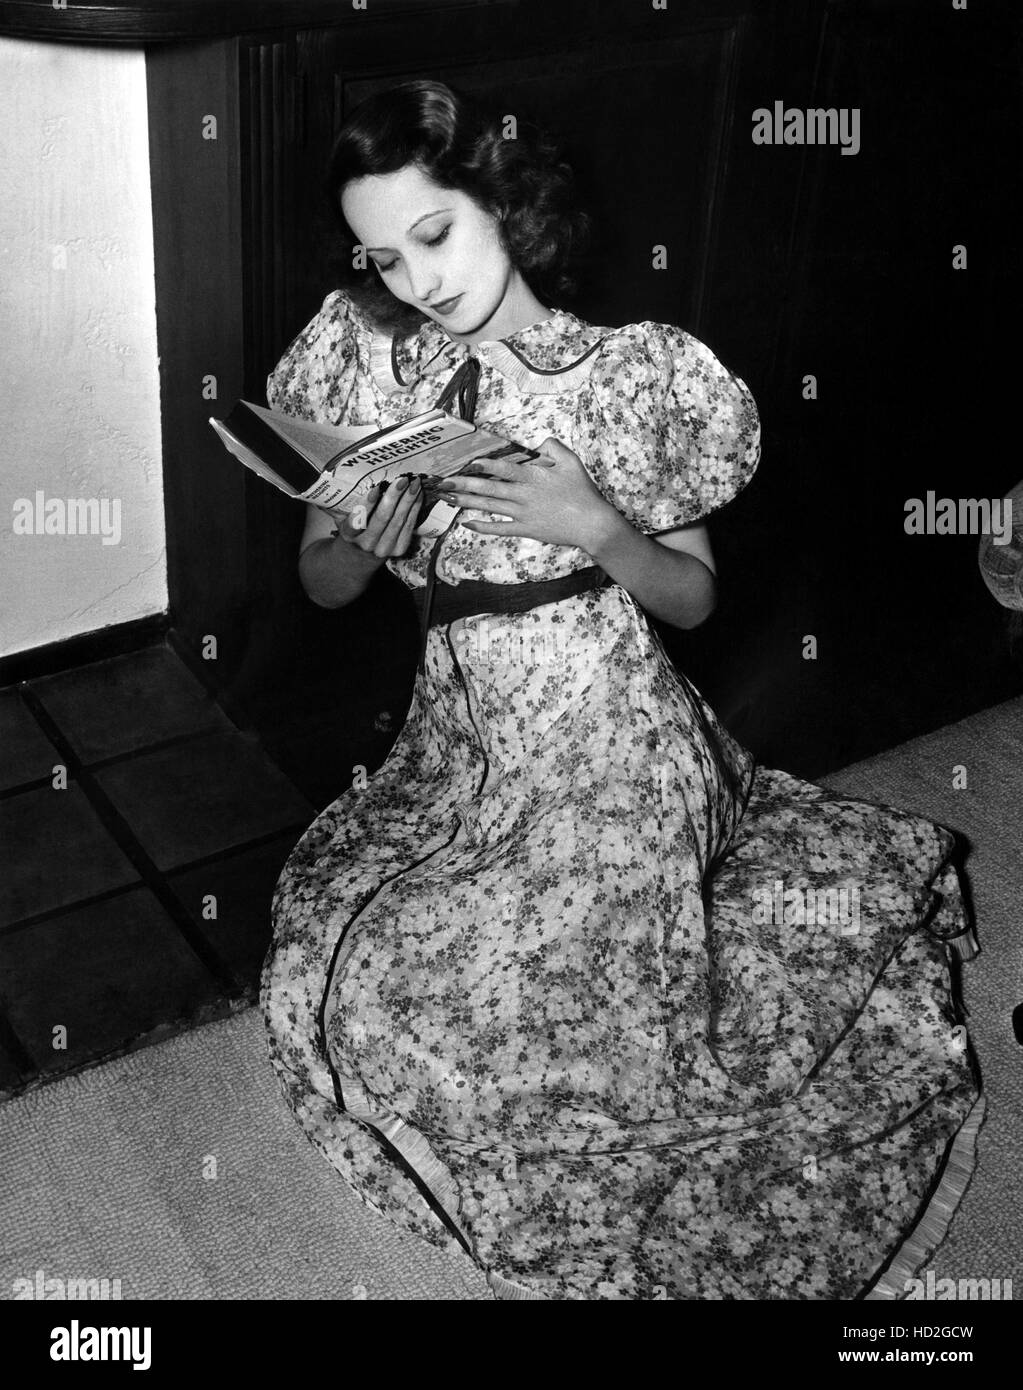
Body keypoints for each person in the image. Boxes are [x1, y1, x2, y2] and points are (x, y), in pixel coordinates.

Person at [260, 79, 982, 1301]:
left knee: (573, 1048)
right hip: (458, 752)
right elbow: (322, 584)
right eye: (385, 255)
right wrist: (361, 543)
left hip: (612, 755)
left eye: (436, 235)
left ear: (502, 197)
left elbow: (693, 600)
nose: (418, 278)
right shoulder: (374, 362)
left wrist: (592, 522)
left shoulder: (631, 377)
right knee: (340, 977)